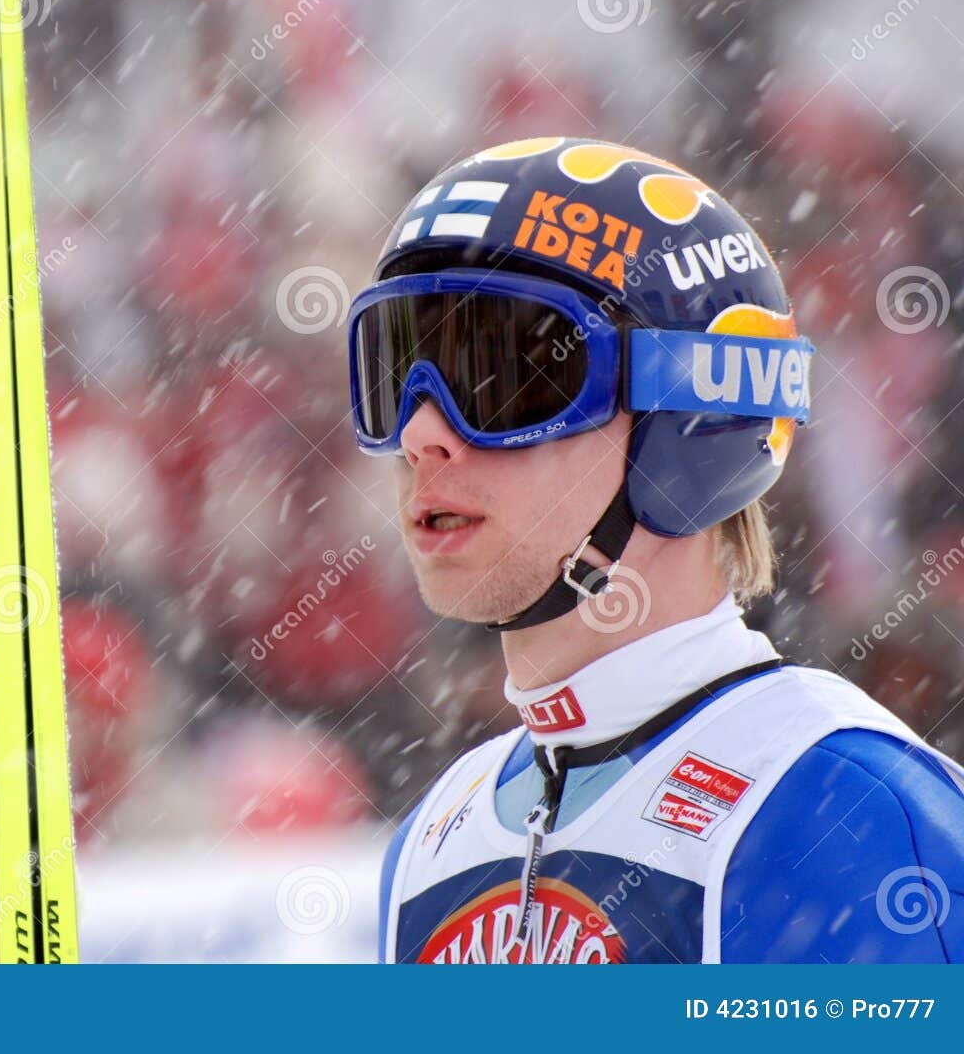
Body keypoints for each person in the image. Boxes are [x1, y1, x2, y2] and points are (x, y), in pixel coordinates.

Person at [358, 136, 964, 964]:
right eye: (397, 370)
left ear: (688, 433)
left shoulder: (839, 813)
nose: (421, 432)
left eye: (498, 375)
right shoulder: (436, 836)